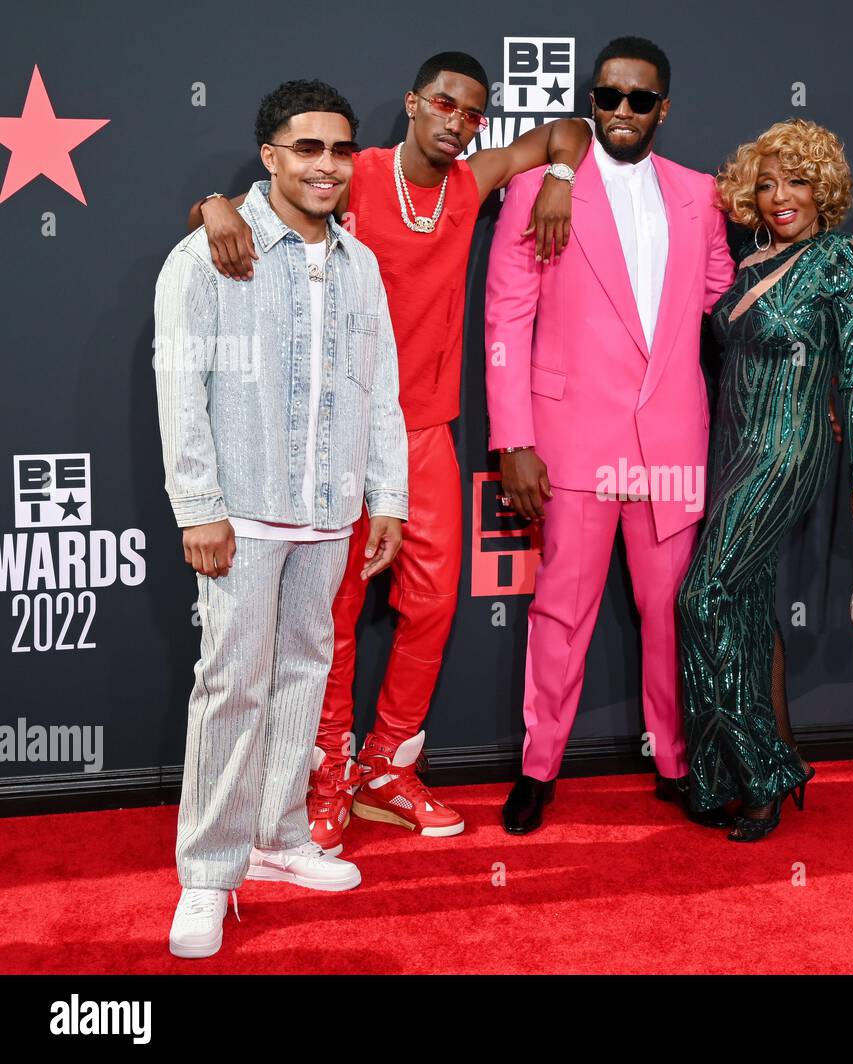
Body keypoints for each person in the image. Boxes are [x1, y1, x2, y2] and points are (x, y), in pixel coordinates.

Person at [188, 53, 592, 852]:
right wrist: (212, 208)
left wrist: (561, 179)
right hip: (335, 430)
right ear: (412, 103)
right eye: (443, 103)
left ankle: (386, 768)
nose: (456, 120)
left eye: (473, 113)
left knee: (434, 603)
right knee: (330, 612)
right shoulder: (352, 171)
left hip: (425, 430)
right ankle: (323, 774)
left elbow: (571, 131)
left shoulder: (471, 184)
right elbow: (244, 213)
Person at [155, 80, 408, 957]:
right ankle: (207, 876)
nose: (328, 166)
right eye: (308, 149)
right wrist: (200, 505)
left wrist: (389, 496)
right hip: (244, 514)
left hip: (329, 512)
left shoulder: (361, 264)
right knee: (230, 687)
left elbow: (379, 393)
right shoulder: (207, 256)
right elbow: (181, 386)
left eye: (341, 150)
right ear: (271, 157)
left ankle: (278, 834)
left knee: (305, 668)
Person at [484, 36, 735, 834]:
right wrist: (512, 437)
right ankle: (538, 766)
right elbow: (506, 315)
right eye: (607, 97)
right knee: (562, 611)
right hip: (570, 439)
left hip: (670, 441)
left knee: (672, 613)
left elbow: (720, 296)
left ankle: (675, 761)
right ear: (589, 102)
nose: (620, 112)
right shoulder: (537, 189)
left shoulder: (701, 194)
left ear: (664, 107)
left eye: (638, 99)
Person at [677, 120, 853, 841]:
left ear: (822, 186)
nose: (778, 197)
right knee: (743, 607)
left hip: (788, 449)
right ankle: (749, 768)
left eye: (795, 181)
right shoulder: (746, 260)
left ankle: (763, 772)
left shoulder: (839, 256)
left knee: (701, 597)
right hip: (731, 445)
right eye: (764, 184)